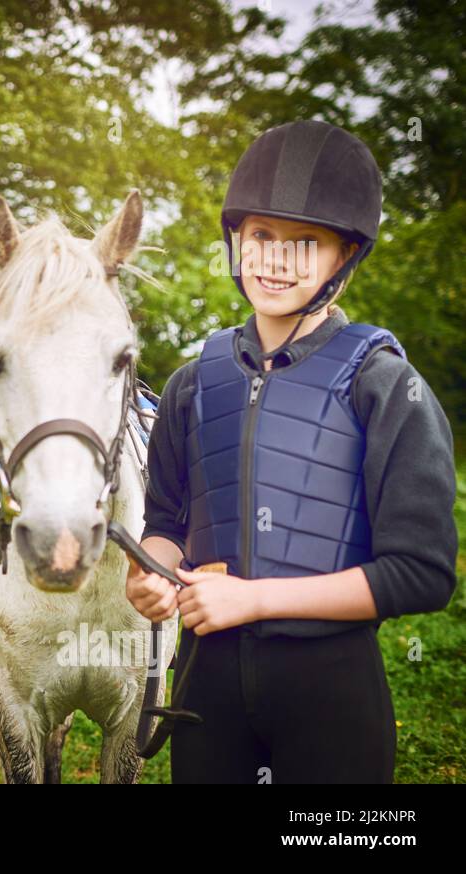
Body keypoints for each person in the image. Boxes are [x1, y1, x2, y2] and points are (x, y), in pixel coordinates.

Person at [126, 120, 457, 783]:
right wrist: (150, 573)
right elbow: (165, 525)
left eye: (306, 242)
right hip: (206, 692)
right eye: (262, 237)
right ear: (236, 242)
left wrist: (254, 601)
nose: (276, 260)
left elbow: (421, 574)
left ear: (345, 256)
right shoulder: (192, 384)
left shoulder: (384, 385)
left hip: (330, 693)